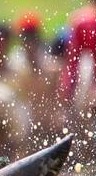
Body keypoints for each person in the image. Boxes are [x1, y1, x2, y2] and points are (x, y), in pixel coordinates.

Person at [9, 13, 63, 147]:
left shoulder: (49, 61)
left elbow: (58, 93)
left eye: (31, 36)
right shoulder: (15, 60)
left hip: (48, 121)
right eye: (25, 36)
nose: (28, 41)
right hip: (24, 123)